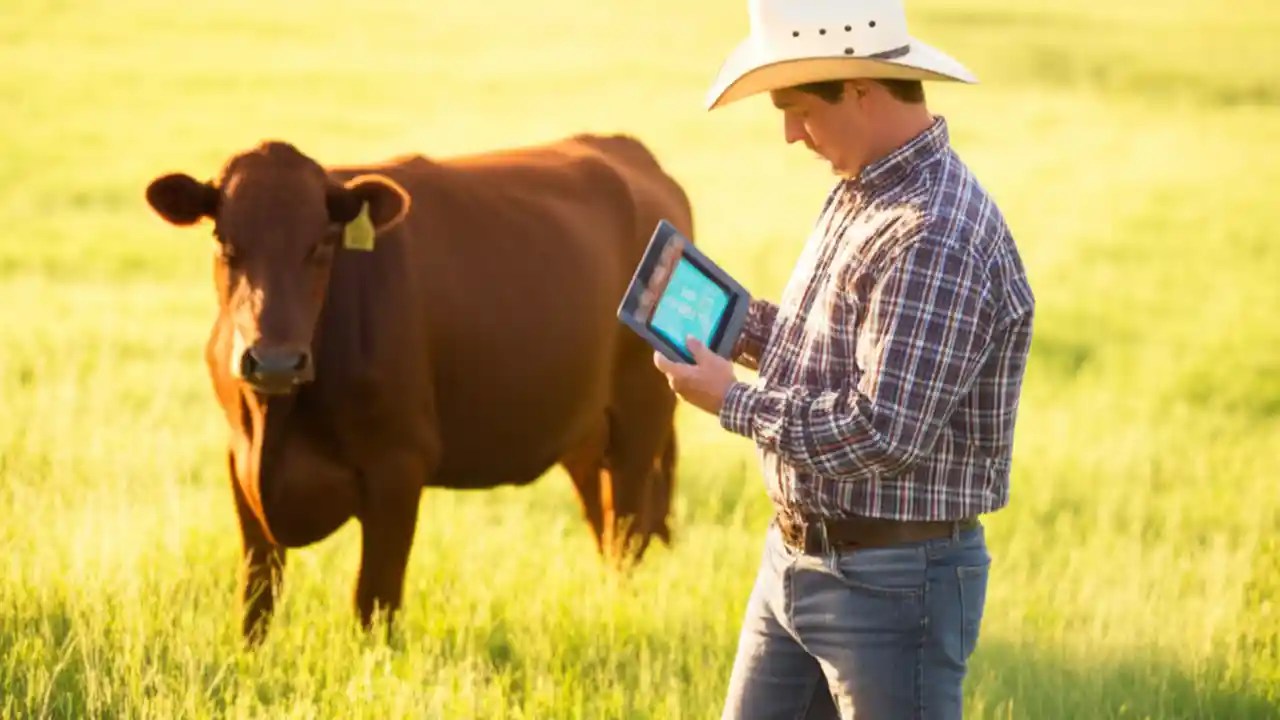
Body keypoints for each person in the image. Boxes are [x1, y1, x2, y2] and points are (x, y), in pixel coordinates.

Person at [649, 0, 1036, 717]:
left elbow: (883, 430)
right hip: (798, 561)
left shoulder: (934, 232)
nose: (790, 134)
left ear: (860, 90)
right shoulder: (862, 192)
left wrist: (729, 400)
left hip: (892, 585)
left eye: (797, 109)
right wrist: (735, 326)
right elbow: (826, 354)